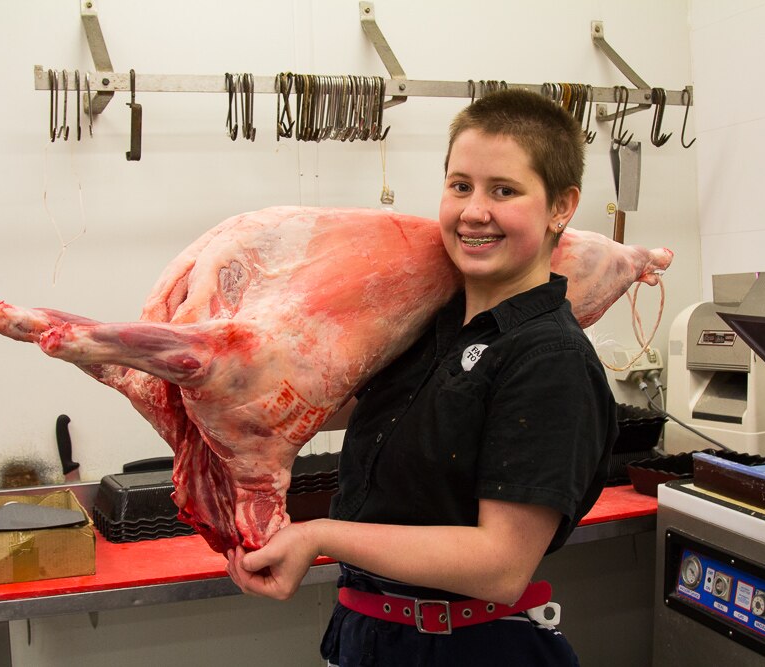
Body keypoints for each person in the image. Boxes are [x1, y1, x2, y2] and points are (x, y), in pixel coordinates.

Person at [226, 89, 617, 666]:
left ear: (561, 206)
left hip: (468, 649)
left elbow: (501, 564)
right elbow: (337, 407)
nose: (473, 211)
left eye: (503, 190)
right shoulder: (428, 325)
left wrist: (319, 535)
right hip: (372, 634)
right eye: (460, 186)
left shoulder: (548, 357)